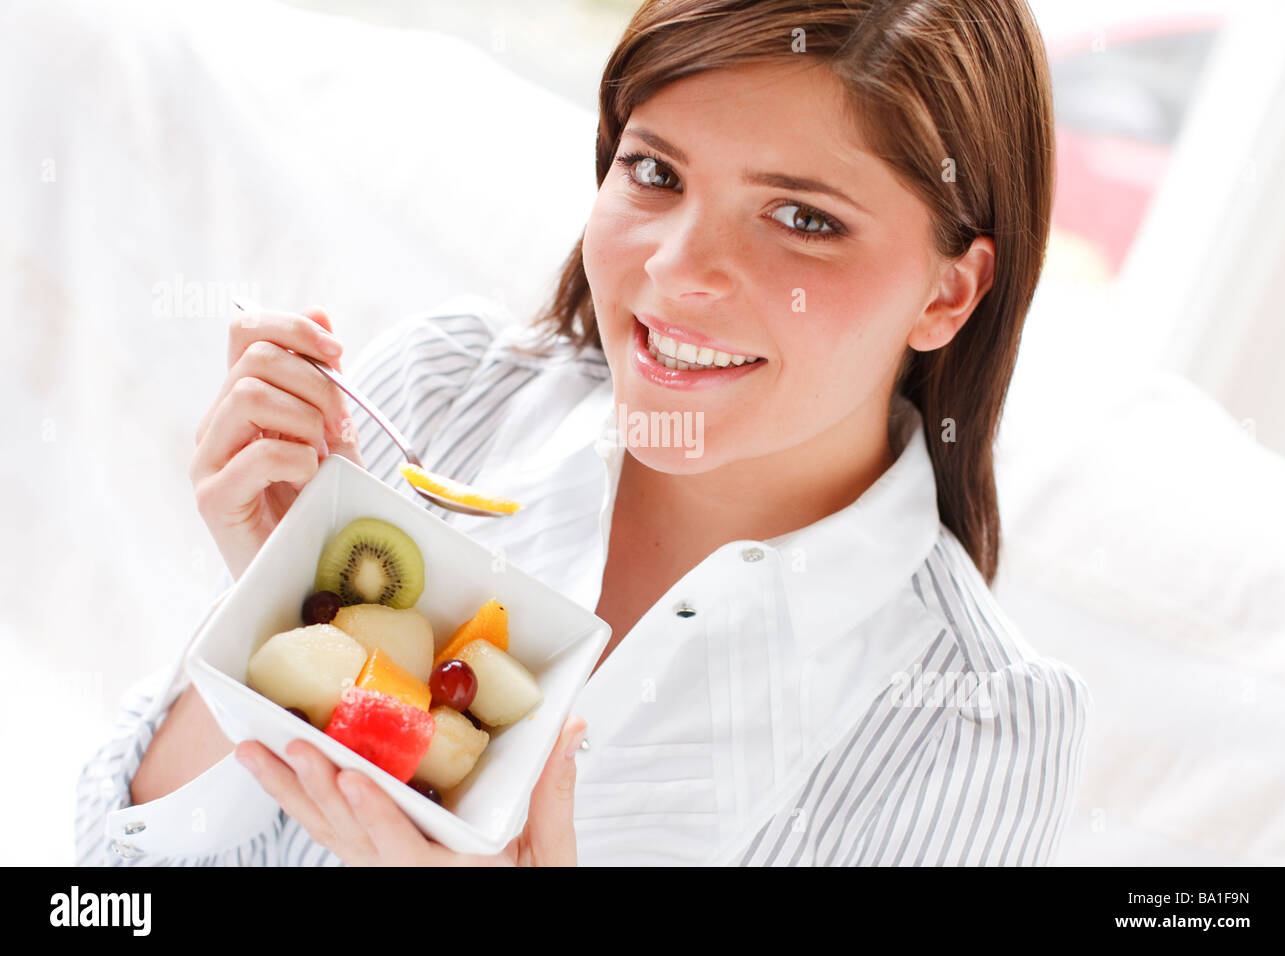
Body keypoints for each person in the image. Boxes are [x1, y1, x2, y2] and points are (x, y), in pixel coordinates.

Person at [76, 0, 1090, 866]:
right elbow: (102, 875)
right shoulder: (436, 398)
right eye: (655, 173)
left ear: (948, 291)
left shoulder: (977, 724)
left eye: (803, 218)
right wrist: (272, 604)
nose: (679, 268)